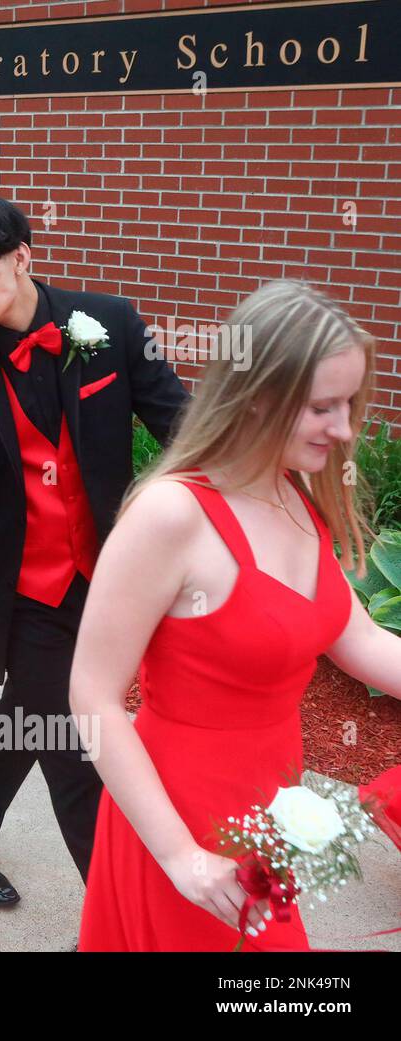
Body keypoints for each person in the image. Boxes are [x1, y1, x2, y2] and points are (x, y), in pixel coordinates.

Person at [72, 280, 401, 951]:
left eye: (349, 405)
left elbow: (355, 633)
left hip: (268, 811)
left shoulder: (297, 491)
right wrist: (178, 856)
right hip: (184, 828)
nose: (344, 430)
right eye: (323, 407)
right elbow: (92, 697)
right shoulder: (171, 515)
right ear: (256, 399)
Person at [0, 195, 188, 906]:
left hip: (110, 578)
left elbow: (186, 427)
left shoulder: (109, 325)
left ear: (22, 256)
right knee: (79, 755)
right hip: (26, 599)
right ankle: (116, 920)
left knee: (27, 714)